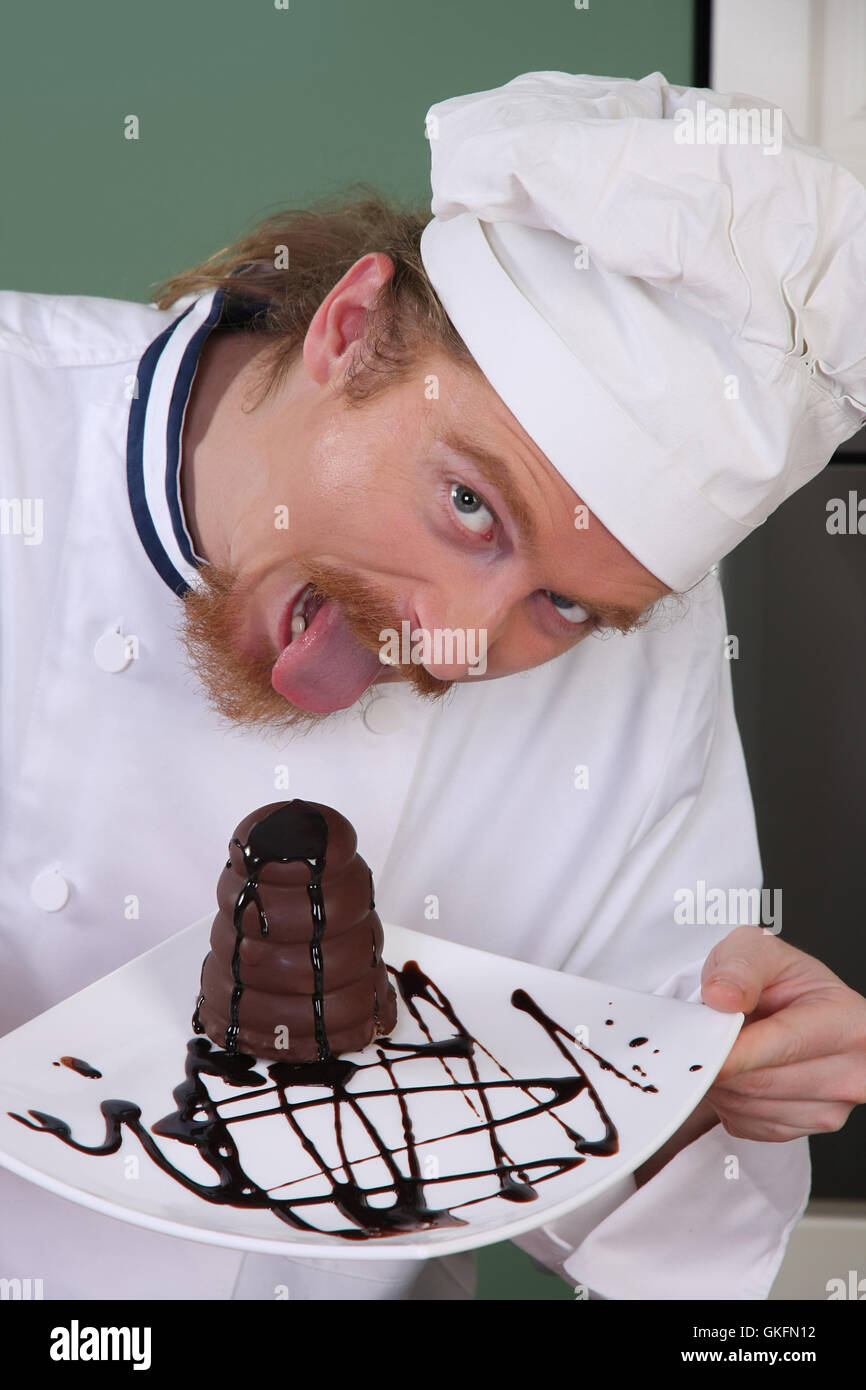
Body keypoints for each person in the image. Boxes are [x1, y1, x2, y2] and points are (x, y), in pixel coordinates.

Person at [0, 69, 863, 1301]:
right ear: (349, 329)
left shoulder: (633, 643)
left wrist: (717, 1087)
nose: (457, 643)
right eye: (469, 507)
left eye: (561, 605)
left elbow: (648, 1215)